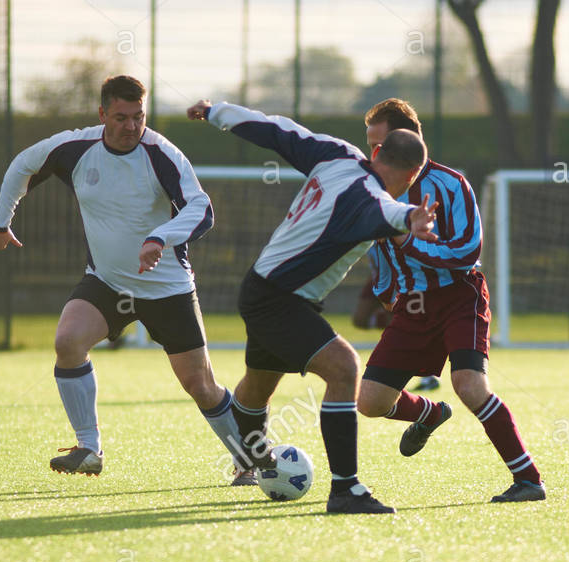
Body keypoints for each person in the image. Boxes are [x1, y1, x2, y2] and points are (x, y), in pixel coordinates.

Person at [0, 75, 251, 482]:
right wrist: (0, 223)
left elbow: (202, 209)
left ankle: (248, 458)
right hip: (107, 283)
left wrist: (160, 237)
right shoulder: (76, 148)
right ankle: (89, 448)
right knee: (68, 341)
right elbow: (24, 165)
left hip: (167, 289)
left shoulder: (161, 154)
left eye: (139, 117)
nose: (131, 127)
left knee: (200, 385)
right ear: (102, 114)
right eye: (121, 117)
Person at [185, 98, 438, 514]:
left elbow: (276, 129)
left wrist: (217, 111)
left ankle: (249, 458)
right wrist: (413, 218)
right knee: (345, 368)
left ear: (376, 152)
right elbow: (388, 211)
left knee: (259, 381)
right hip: (280, 299)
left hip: (264, 288)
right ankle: (346, 490)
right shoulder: (371, 199)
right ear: (412, 175)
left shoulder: (336, 154)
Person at [354, 99, 545, 503]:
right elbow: (379, 256)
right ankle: (428, 413)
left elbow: (466, 253)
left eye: (379, 144)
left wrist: (409, 242)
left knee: (469, 385)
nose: (372, 154)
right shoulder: (371, 192)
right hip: (412, 308)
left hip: (459, 298)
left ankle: (528, 480)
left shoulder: (450, 183)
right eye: (369, 145)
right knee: (369, 402)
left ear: (408, 141)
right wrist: (389, 296)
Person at [351, 257, 439, 392]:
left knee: (410, 321)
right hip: (379, 272)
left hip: (401, 272)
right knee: (360, 319)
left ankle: (427, 377)